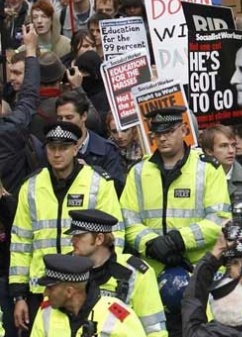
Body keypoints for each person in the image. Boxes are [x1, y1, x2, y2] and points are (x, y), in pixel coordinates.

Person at [120, 107, 230, 335]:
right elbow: (128, 221)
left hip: (197, 272)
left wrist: (177, 240)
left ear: (183, 130)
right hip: (152, 274)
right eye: (157, 133)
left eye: (169, 131)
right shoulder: (138, 171)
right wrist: (151, 244)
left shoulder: (208, 169)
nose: (162, 138)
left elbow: (218, 220)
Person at [11, 121, 124, 333]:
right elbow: (20, 242)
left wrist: (103, 281)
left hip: (84, 289)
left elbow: (114, 236)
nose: (57, 153)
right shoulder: (31, 186)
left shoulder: (97, 182)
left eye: (63, 147)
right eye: (52, 147)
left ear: (75, 149)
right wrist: (19, 295)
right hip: (42, 289)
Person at [68, 209, 166, 337]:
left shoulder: (136, 273)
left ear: (99, 239)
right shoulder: (66, 269)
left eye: (79, 236)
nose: (72, 241)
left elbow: (154, 330)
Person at [30, 253, 146, 336]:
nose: (45, 293)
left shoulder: (116, 315)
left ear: (69, 291)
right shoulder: (46, 311)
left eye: (50, 288)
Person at [55, 90, 126, 189]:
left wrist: (92, 173)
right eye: (60, 118)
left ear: (84, 116)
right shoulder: (51, 150)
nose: (63, 122)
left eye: (69, 117)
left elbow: (118, 188)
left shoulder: (106, 150)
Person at [199, 125, 242, 199]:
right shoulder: (197, 179)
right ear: (209, 151)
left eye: (233, 145)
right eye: (223, 146)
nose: (231, 151)